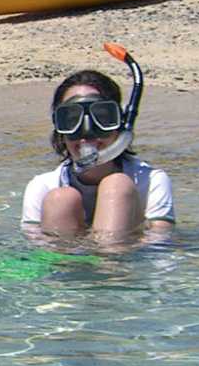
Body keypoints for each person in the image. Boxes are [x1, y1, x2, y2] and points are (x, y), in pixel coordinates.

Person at [22, 69, 173, 241]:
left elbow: (160, 249)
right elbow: (32, 252)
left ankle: (109, 263)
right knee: (61, 199)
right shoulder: (42, 186)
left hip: (124, 260)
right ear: (59, 129)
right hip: (66, 262)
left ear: (120, 124)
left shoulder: (151, 180)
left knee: (117, 186)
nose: (86, 132)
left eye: (101, 117)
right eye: (72, 120)